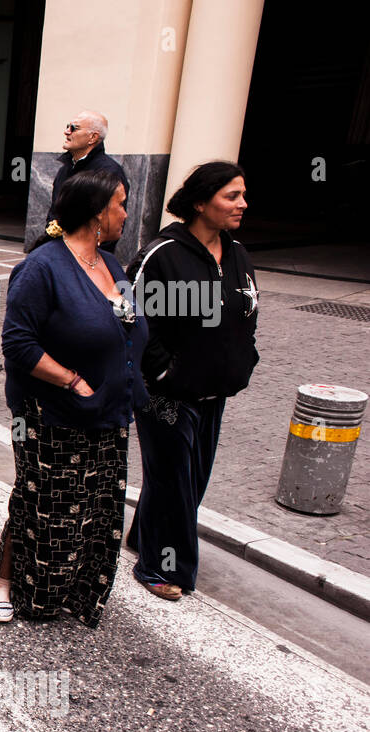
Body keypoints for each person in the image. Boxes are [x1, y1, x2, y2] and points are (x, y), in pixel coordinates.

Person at [0, 169, 148, 627]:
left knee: (94, 511)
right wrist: (73, 381)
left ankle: (73, 591)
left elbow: (127, 326)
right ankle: (7, 581)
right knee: (43, 506)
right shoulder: (42, 268)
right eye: (119, 204)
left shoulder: (112, 265)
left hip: (108, 413)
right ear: (97, 213)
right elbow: (18, 345)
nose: (125, 212)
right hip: (51, 415)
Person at [126, 162, 257, 600]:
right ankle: (160, 566)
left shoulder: (237, 253)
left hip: (215, 390)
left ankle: (142, 537)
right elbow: (131, 316)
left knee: (190, 478)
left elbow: (247, 314)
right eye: (231, 196)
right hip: (165, 393)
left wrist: (245, 358)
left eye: (242, 195)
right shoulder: (161, 254)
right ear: (201, 202)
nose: (242, 204)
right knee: (172, 480)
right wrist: (163, 370)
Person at [48, 110, 129, 253]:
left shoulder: (109, 173)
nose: (67, 132)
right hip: (59, 251)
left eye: (74, 128)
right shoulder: (65, 169)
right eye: (68, 126)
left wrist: (89, 257)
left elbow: (111, 223)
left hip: (88, 257)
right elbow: (54, 213)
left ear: (93, 137)